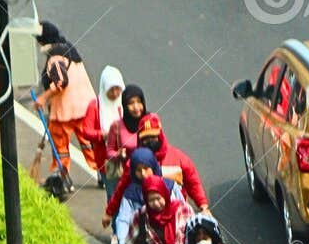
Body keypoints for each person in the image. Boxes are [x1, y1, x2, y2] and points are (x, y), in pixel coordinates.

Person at [105, 113, 209, 227]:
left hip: (175, 217)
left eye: (153, 137)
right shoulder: (133, 164)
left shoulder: (179, 158)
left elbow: (193, 183)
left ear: (160, 135)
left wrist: (203, 206)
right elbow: (121, 188)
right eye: (146, 138)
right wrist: (109, 213)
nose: (150, 141)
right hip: (146, 220)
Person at [34, 21, 101, 180]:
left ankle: (61, 173)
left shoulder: (55, 57)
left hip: (65, 110)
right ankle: (100, 171)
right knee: (88, 142)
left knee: (59, 142)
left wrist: (43, 98)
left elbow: (61, 82)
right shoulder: (69, 49)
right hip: (86, 107)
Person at [113, 149, 185, 244]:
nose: (143, 173)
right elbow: (123, 220)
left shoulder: (170, 186)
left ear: (153, 166)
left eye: (146, 168)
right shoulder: (130, 195)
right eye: (138, 170)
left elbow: (183, 212)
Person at [96, 65, 126, 198]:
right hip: (107, 161)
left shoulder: (125, 103)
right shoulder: (95, 106)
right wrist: (103, 134)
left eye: (117, 89)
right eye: (111, 90)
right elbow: (86, 131)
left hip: (126, 159)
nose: (115, 94)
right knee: (114, 196)